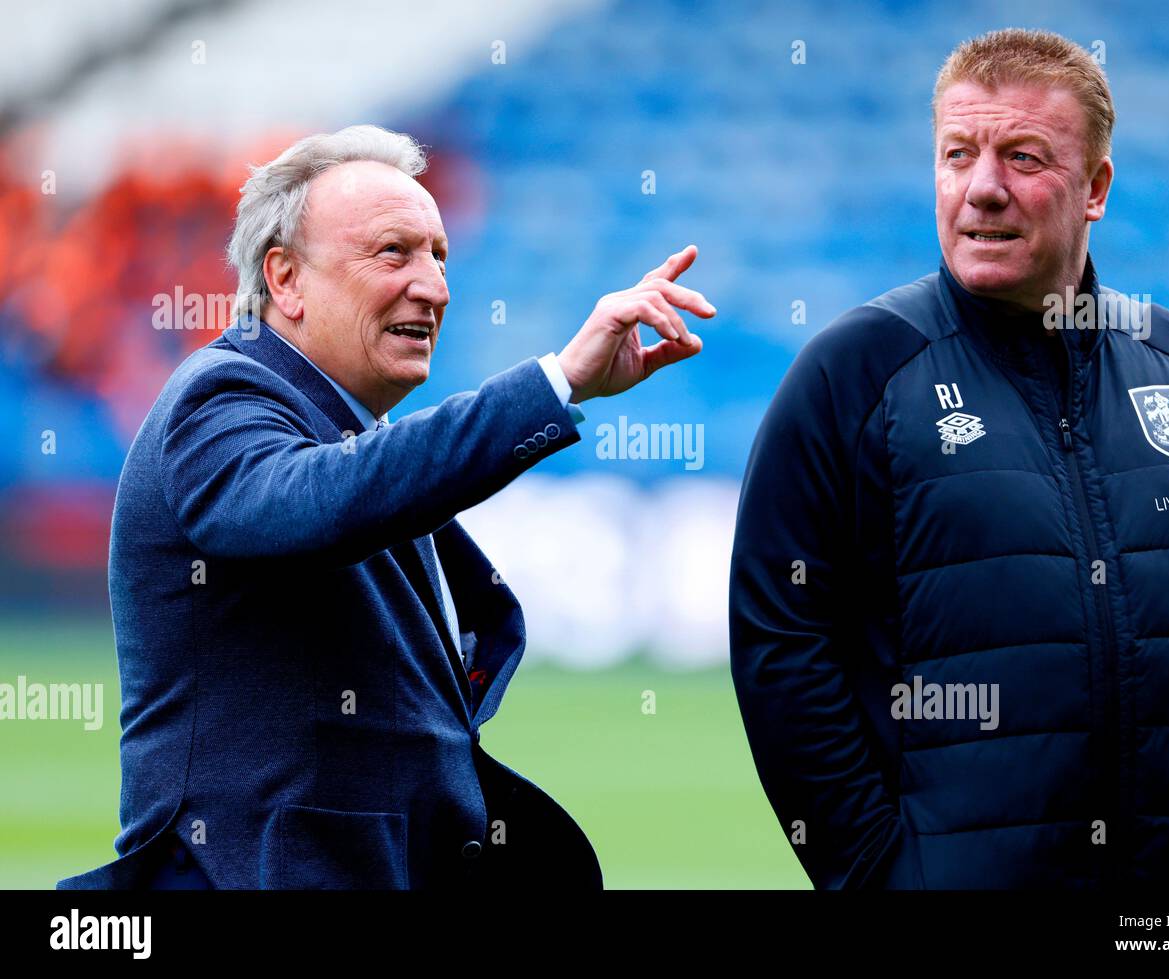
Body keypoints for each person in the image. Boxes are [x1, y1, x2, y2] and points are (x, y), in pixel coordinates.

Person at [56, 124, 713, 889]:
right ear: (286, 279)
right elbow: (316, 503)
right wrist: (555, 382)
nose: (433, 285)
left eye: (439, 254)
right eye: (393, 252)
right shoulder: (219, 395)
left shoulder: (352, 430)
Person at [729, 28, 1169, 889]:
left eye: (1024, 157)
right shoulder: (851, 375)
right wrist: (880, 871)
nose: (984, 188)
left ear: (1096, 187)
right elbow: (782, 641)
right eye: (959, 154)